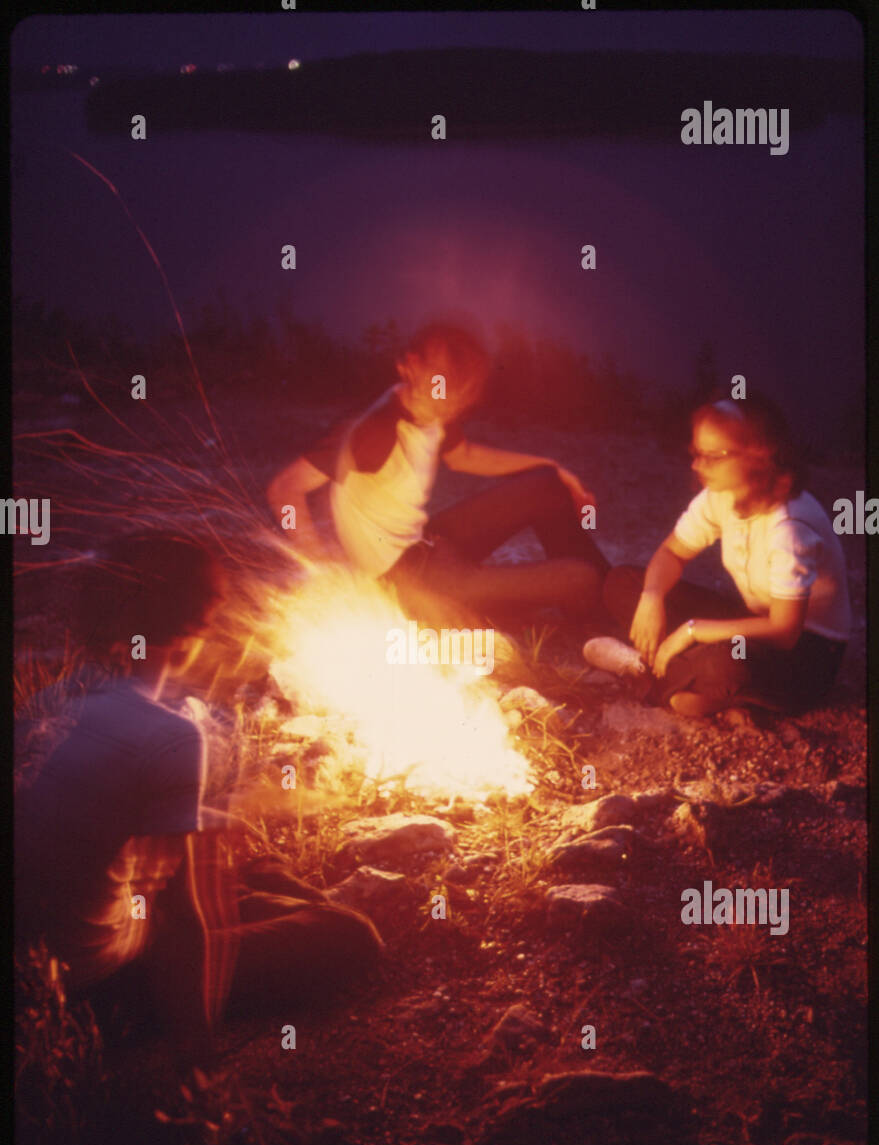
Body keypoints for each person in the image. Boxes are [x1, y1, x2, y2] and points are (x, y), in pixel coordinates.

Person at [15, 533, 384, 1065]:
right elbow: (186, 927)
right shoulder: (168, 734)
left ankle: (275, 891)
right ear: (197, 623)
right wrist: (197, 1061)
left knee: (220, 860)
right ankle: (296, 902)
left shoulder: (60, 698)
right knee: (348, 934)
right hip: (102, 990)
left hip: (54, 951)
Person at [267, 320, 610, 629]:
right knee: (582, 579)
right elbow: (285, 489)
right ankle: (598, 602)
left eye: (461, 394)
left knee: (545, 486)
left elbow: (464, 456)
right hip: (409, 584)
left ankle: (605, 602)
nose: (451, 405)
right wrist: (322, 569)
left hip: (428, 543)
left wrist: (551, 465)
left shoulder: (433, 402)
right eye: (445, 386)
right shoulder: (374, 431)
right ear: (409, 365)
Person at [596, 395, 851, 717]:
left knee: (726, 664)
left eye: (712, 457)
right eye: (697, 454)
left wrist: (691, 630)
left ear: (758, 457)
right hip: (752, 618)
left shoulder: (789, 526)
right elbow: (671, 552)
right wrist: (652, 596)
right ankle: (693, 683)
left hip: (805, 652)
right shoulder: (721, 495)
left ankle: (653, 674)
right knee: (623, 582)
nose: (697, 465)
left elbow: (785, 633)